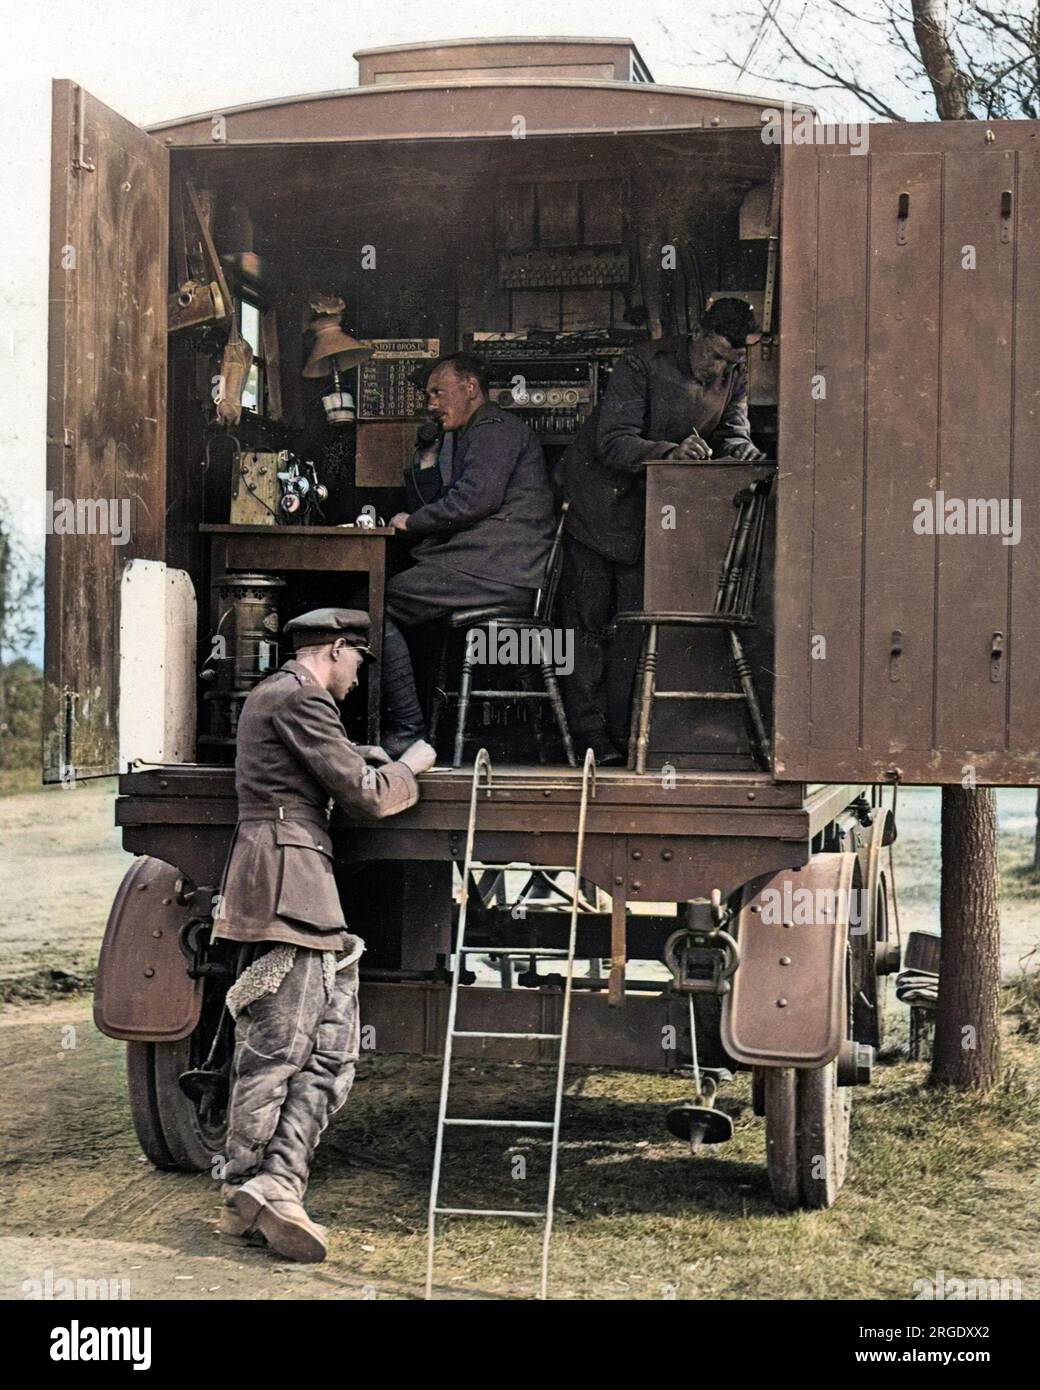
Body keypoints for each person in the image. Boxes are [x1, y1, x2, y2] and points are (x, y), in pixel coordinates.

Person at [213, 608, 436, 1262]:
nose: (361, 674)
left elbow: (332, 764)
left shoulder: (292, 700)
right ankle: (242, 1186)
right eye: (357, 660)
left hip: (306, 888)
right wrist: (412, 765)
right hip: (287, 888)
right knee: (281, 1044)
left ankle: (279, 1182)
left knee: (333, 1051)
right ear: (334, 650)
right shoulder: (297, 696)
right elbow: (368, 794)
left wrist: (368, 758)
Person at [555, 298, 766, 764]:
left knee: (631, 631)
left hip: (653, 516)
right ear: (697, 334)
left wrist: (742, 449)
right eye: (712, 356)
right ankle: (588, 741)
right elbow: (613, 441)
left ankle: (620, 742)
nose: (718, 370)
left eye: (730, 362)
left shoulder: (733, 371)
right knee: (585, 628)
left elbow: (734, 430)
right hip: (598, 504)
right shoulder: (643, 363)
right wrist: (671, 452)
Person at [378, 351, 556, 754]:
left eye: (438, 392)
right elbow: (451, 500)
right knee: (393, 600)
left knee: (378, 603)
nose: (431, 403)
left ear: (471, 388)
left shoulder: (492, 428)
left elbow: (474, 500)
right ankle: (415, 727)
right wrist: (426, 458)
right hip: (498, 570)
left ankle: (408, 728)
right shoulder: (475, 433)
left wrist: (413, 522)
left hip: (499, 571)